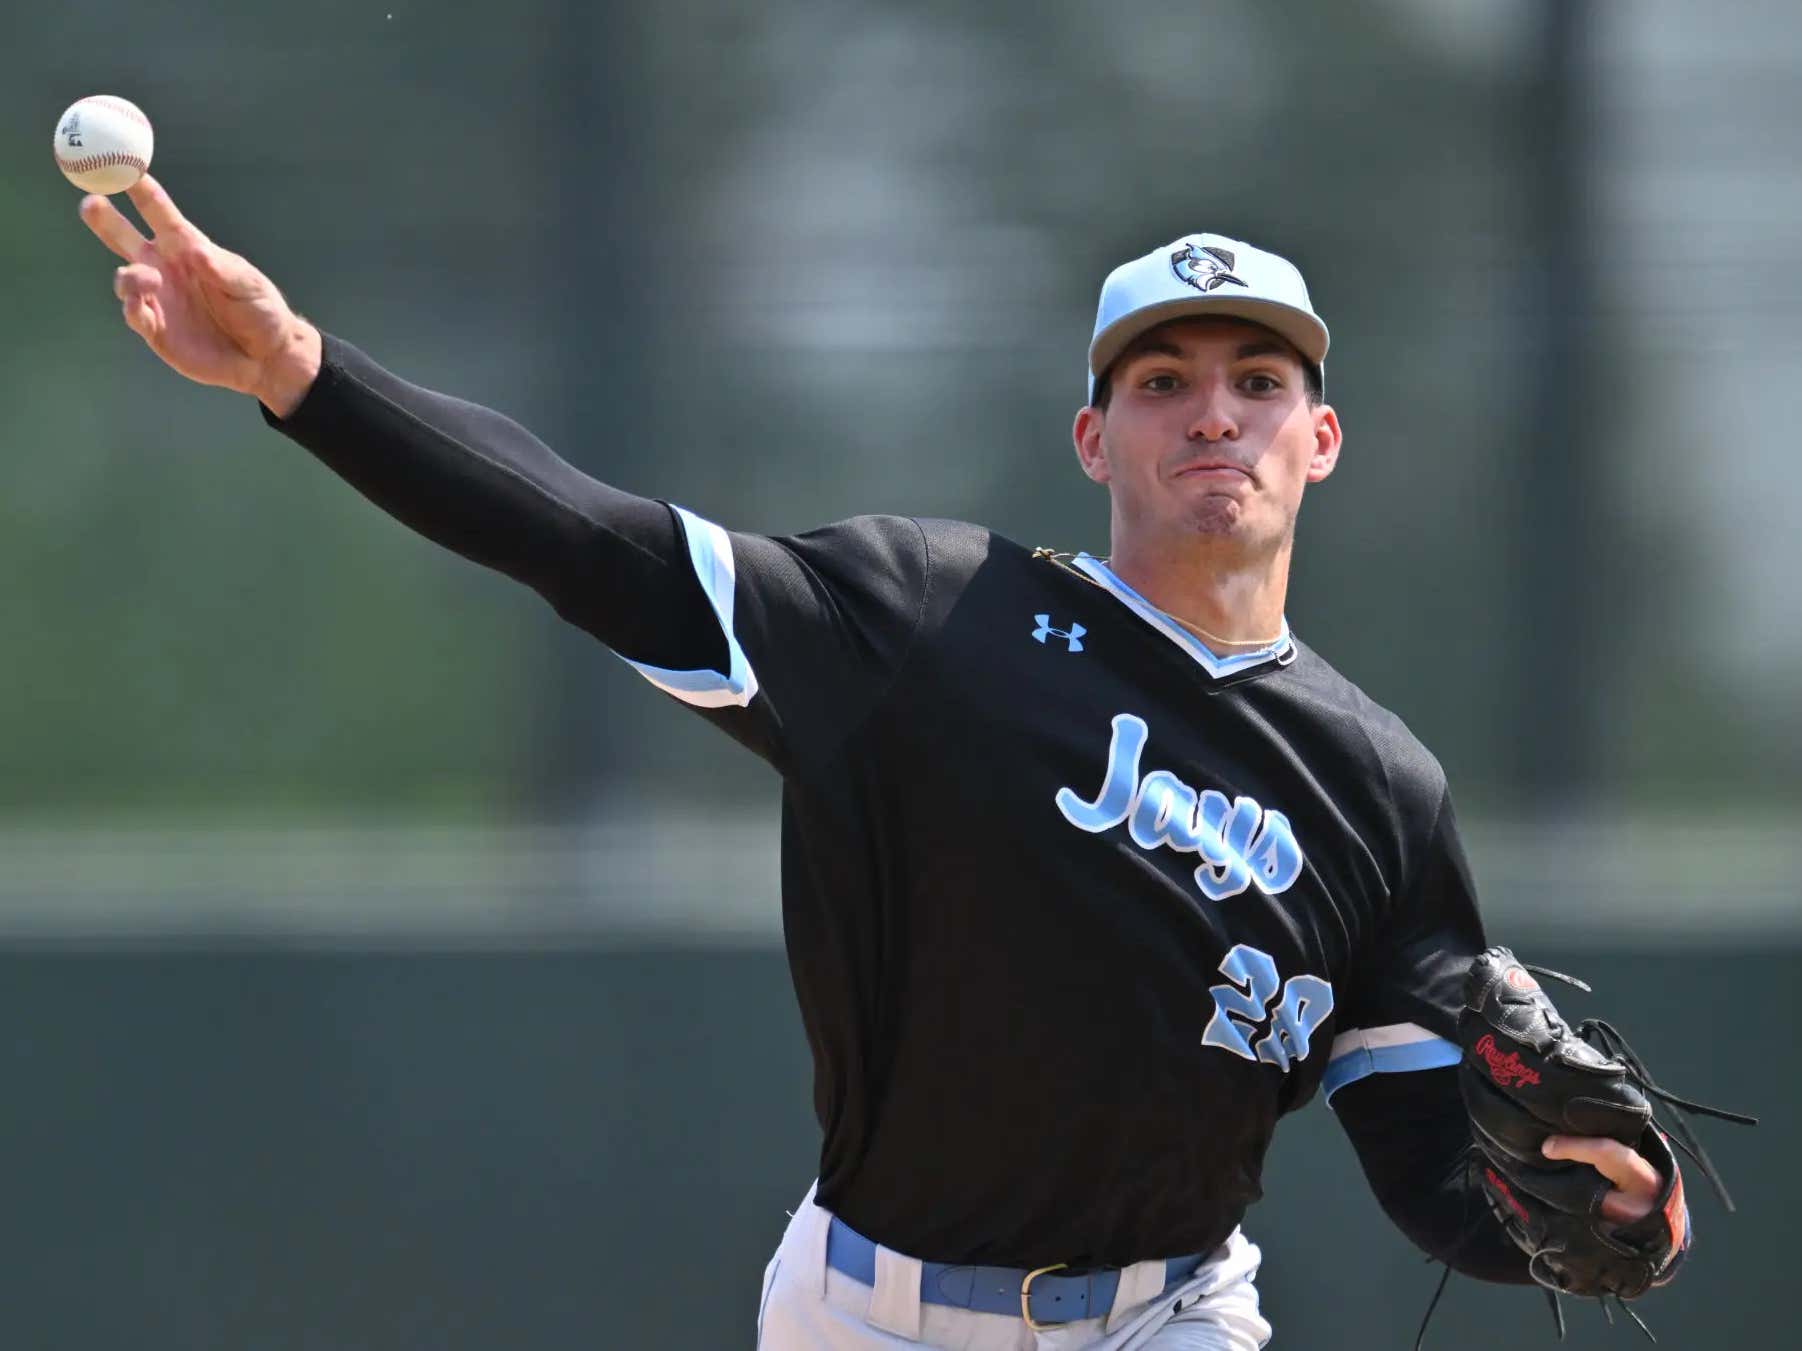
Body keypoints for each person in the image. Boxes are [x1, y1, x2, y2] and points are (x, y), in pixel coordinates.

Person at [80, 178, 1686, 1349]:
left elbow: (1429, 1172)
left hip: (1167, 1322)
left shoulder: (1377, 790)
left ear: (1318, 441)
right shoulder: (928, 620)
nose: (1216, 417)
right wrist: (301, 372)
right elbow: (586, 539)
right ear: (1093, 437)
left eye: (1260, 384)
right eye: (1163, 383)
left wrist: (1603, 1227)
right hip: (869, 1315)